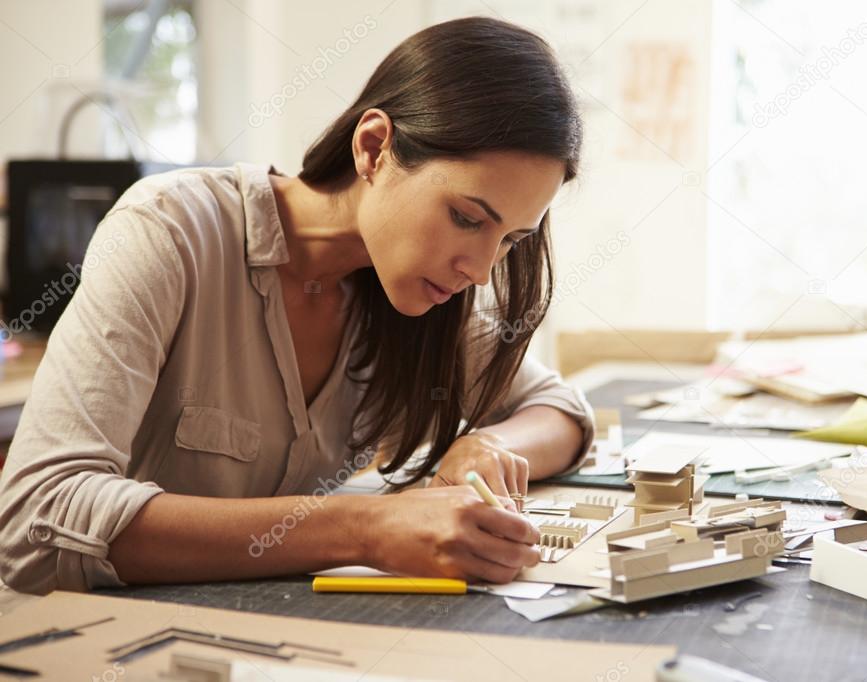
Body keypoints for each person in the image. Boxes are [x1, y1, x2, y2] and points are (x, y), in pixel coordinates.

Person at [0, 17, 596, 595]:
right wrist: (363, 529)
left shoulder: (416, 292)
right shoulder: (170, 231)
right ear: (373, 148)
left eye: (510, 240)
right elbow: (35, 519)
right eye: (467, 218)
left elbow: (560, 410)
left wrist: (490, 446)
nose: (481, 270)